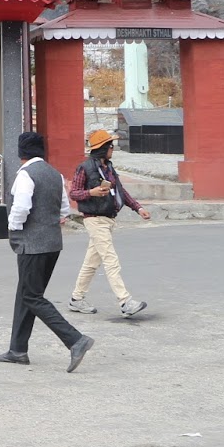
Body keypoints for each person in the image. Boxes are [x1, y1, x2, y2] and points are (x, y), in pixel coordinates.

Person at [0, 131, 94, 371]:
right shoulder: (55, 174)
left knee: (32, 296)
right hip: (53, 244)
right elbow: (64, 210)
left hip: (32, 244)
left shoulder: (25, 175)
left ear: (21, 153)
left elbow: (20, 207)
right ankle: (18, 349)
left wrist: (13, 228)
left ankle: (75, 340)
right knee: (27, 293)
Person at [67, 129, 150, 318]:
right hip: (94, 220)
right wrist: (92, 192)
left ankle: (76, 299)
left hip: (108, 219)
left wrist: (138, 208)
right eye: (111, 146)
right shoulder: (85, 168)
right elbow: (74, 193)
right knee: (110, 259)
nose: (113, 149)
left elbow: (121, 191)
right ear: (103, 148)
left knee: (91, 262)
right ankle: (125, 301)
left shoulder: (109, 169)